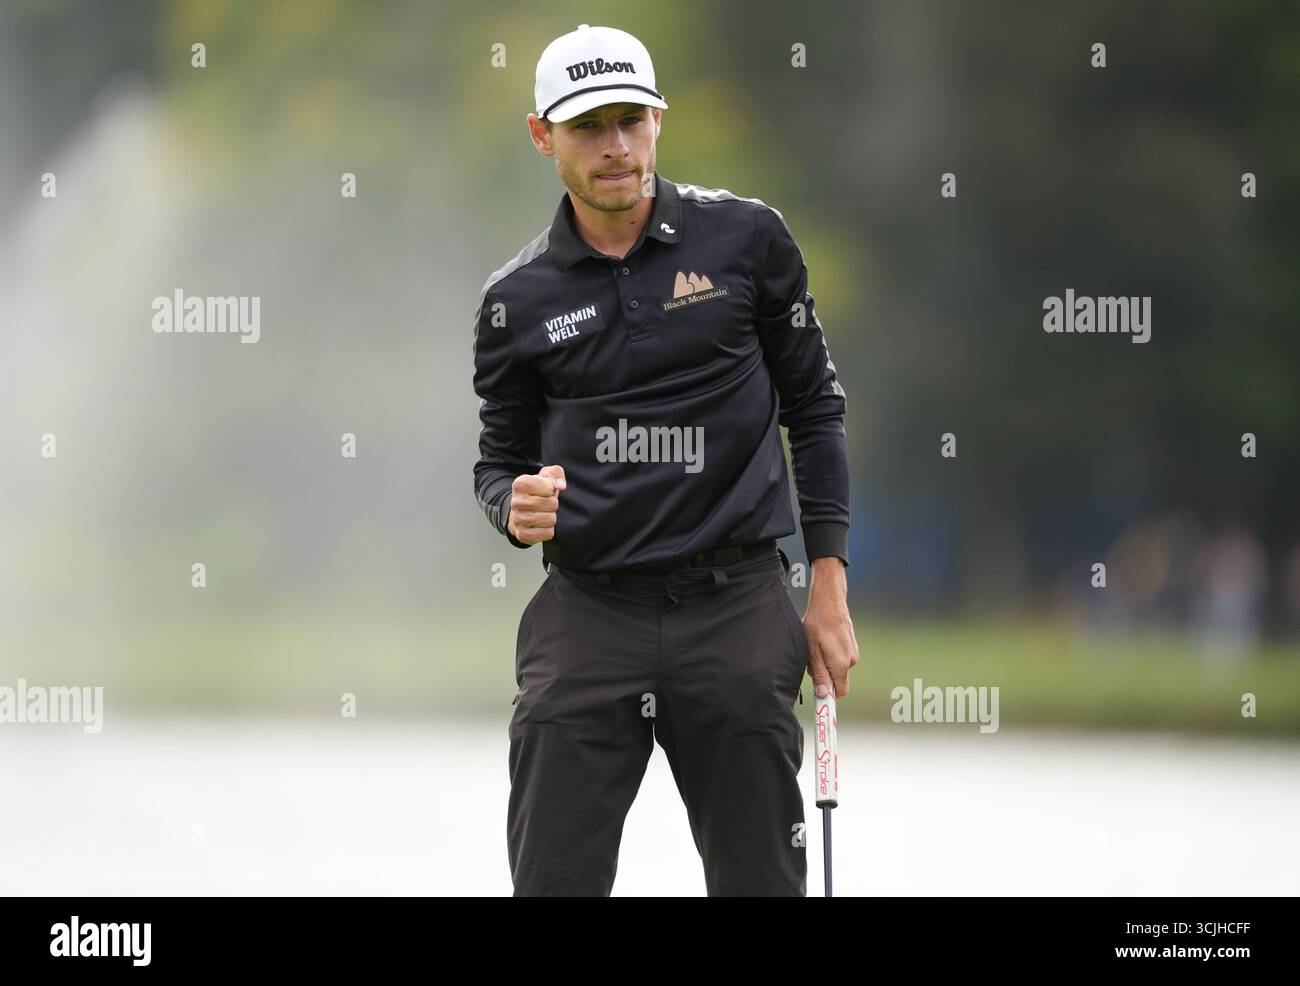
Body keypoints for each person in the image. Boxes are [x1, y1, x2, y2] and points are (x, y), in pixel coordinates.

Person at [471, 23, 858, 896]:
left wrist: (828, 587)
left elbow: (815, 408)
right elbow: (497, 463)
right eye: (588, 127)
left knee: (761, 882)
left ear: (658, 120)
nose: (615, 147)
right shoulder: (514, 300)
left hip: (738, 606)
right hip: (588, 613)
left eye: (631, 121)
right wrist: (513, 505)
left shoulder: (749, 241)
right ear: (543, 135)